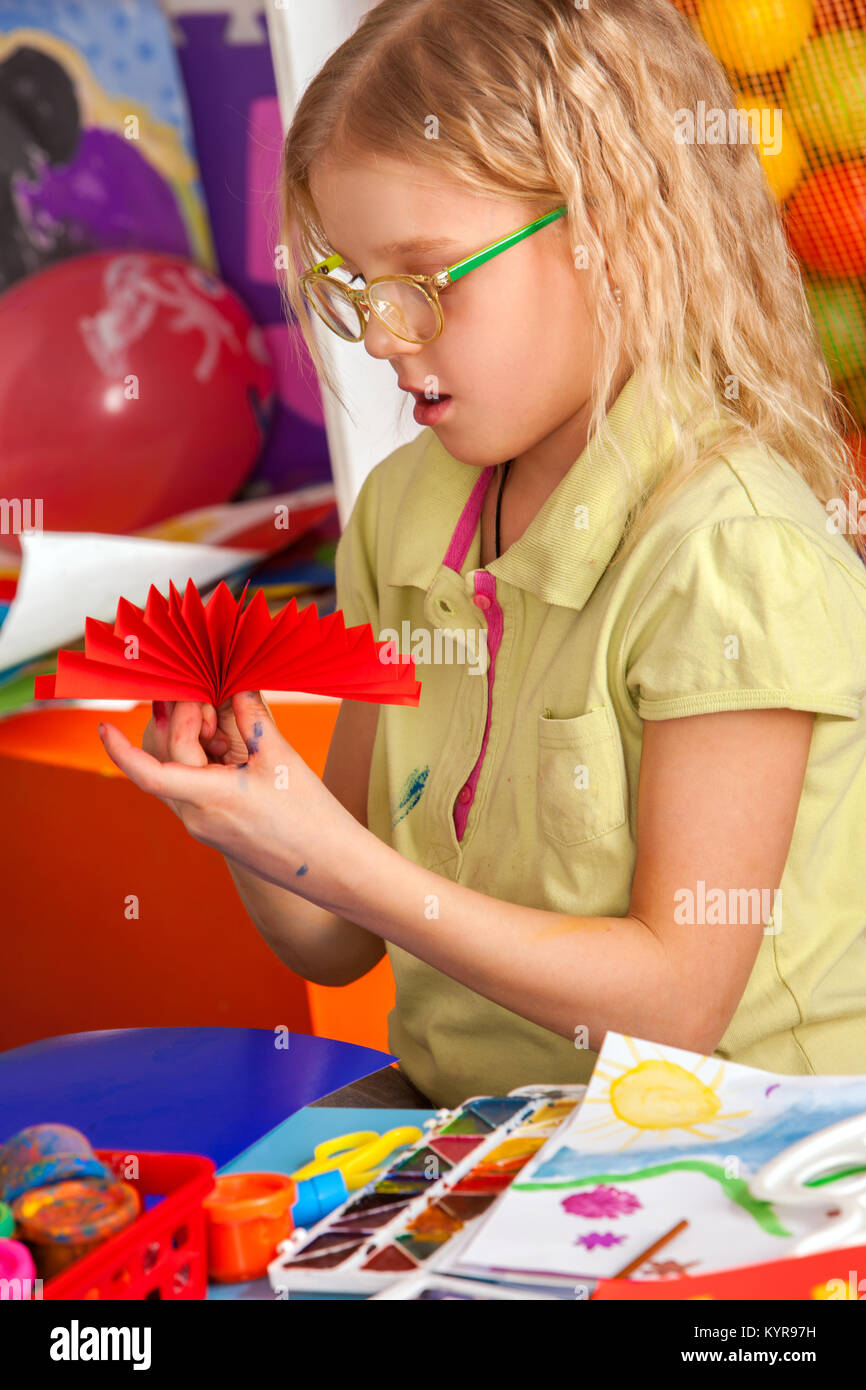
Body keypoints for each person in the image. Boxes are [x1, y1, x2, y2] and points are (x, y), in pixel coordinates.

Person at [99, 0, 866, 1109]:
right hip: (480, 1135)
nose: (381, 336)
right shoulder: (407, 512)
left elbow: (674, 1007)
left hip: (744, 1155)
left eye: (428, 278)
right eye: (353, 287)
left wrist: (341, 858)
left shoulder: (728, 551)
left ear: (619, 231)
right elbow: (333, 939)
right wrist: (250, 813)